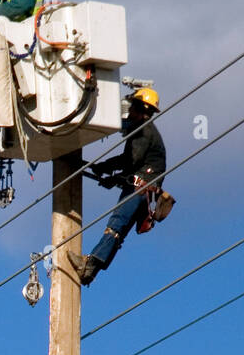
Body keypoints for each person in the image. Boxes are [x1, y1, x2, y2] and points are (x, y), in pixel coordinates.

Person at [68, 88, 173, 286]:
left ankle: (89, 265)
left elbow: (130, 161)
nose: (129, 110)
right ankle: (90, 271)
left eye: (132, 106)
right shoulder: (143, 130)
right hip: (142, 187)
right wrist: (104, 170)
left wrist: (110, 174)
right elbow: (128, 161)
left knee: (116, 225)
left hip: (140, 187)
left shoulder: (144, 131)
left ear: (141, 108)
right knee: (119, 231)